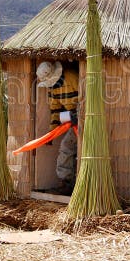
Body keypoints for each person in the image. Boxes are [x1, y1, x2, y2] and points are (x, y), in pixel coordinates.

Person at [36, 60, 79, 194]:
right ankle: (68, 183)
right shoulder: (52, 89)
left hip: (85, 117)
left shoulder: (72, 77)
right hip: (73, 120)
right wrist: (51, 134)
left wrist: (80, 113)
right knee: (68, 148)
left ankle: (67, 182)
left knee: (67, 147)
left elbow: (86, 96)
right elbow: (55, 111)